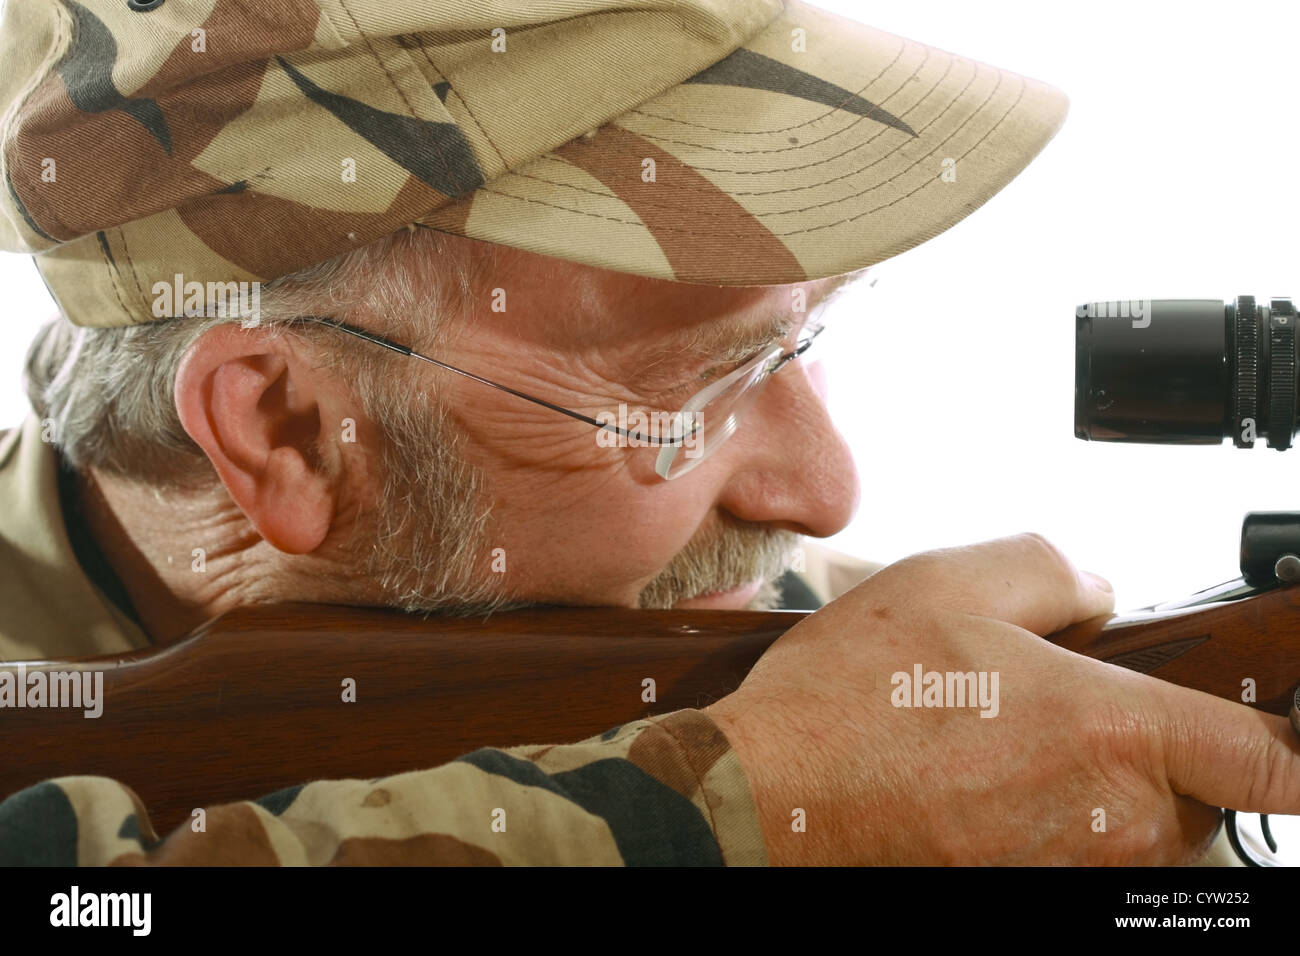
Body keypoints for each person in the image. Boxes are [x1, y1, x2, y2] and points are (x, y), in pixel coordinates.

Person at [0, 0, 1291, 865]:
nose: (824, 493)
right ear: (286, 430)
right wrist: (746, 806)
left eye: (806, 338)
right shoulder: (822, 732)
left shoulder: (876, 667)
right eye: (700, 388)